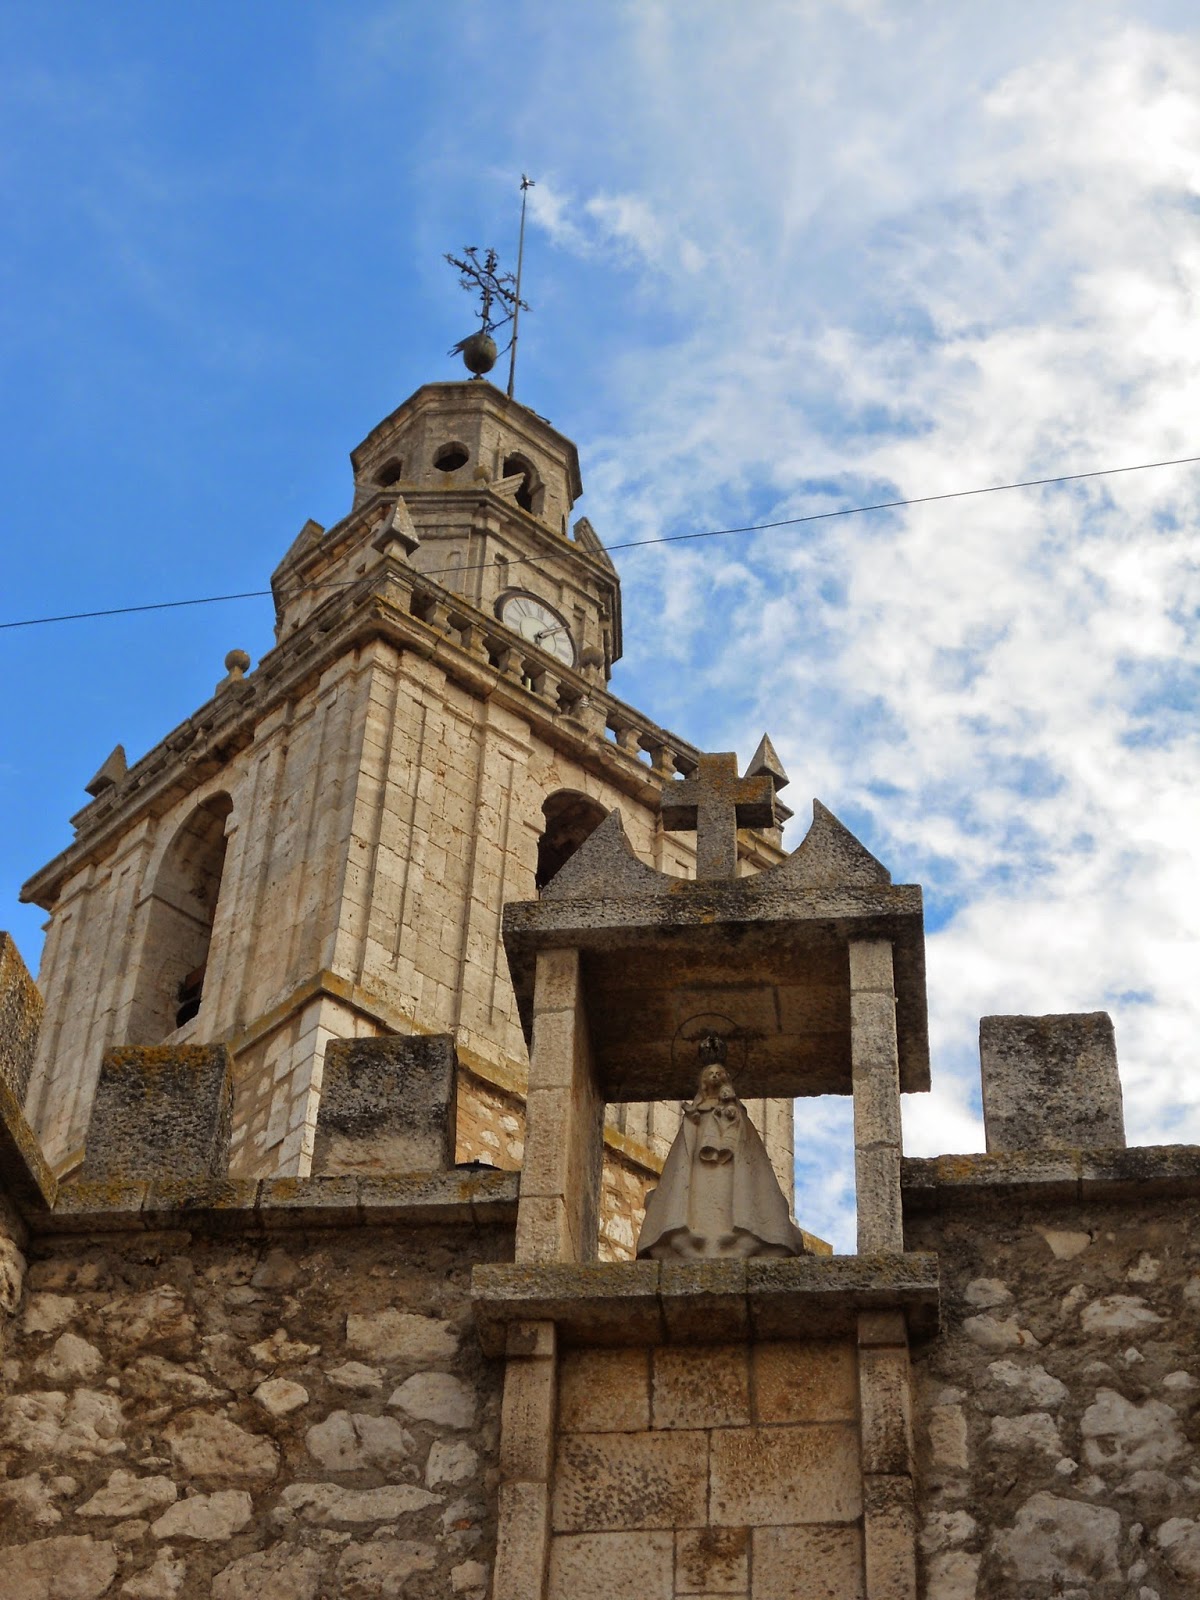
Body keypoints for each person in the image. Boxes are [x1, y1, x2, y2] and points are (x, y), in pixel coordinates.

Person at [636, 1036, 810, 1261]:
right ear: (703, 1082)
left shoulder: (737, 1113)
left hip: (732, 1166)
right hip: (697, 1170)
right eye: (710, 1074)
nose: (715, 1076)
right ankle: (685, 1238)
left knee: (739, 1197)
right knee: (689, 1198)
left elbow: (746, 1149)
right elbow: (685, 1150)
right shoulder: (695, 1114)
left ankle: (747, 1238)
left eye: (719, 1073)